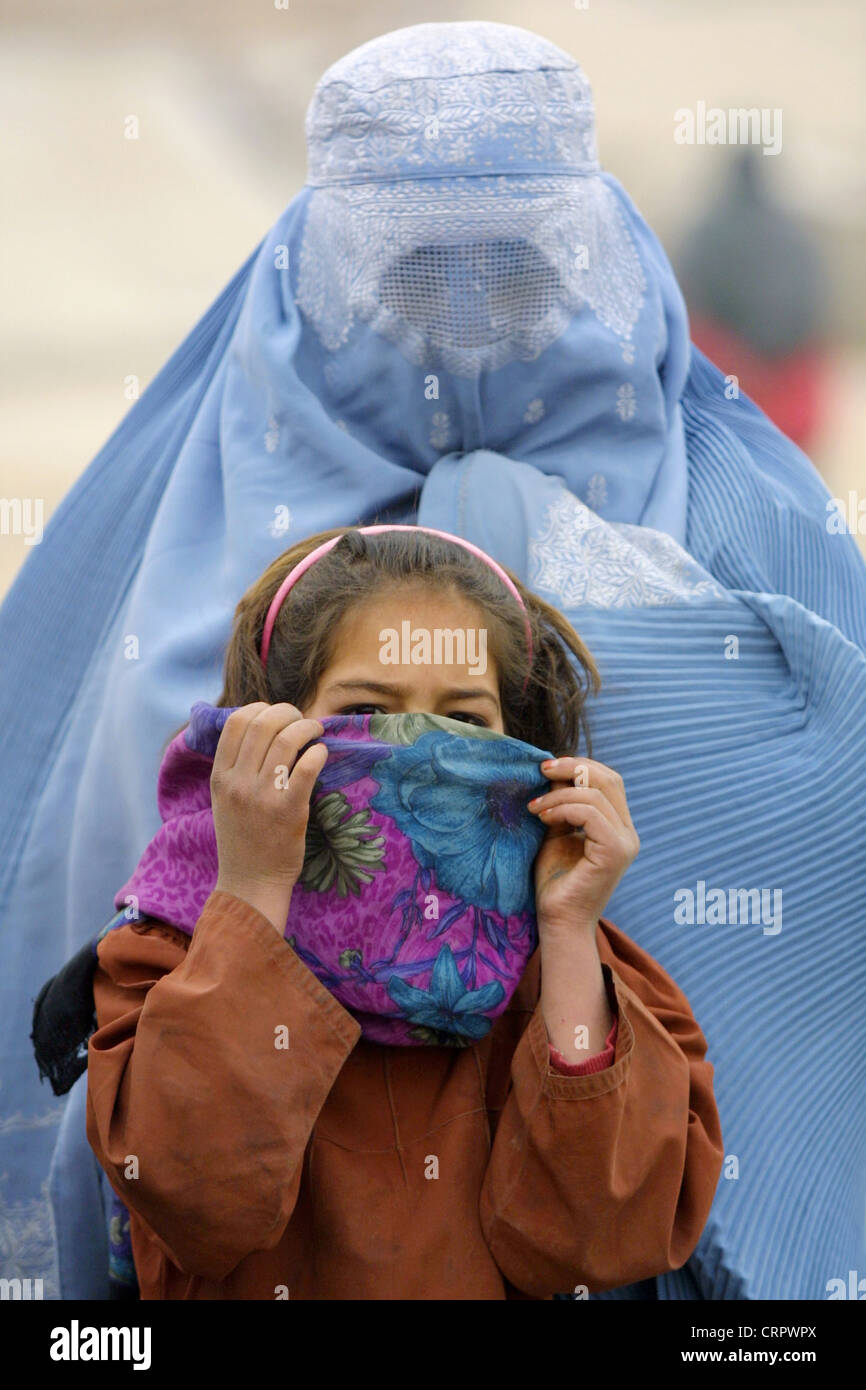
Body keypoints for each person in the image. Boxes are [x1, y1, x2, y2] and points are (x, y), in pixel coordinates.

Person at [10, 21, 866, 1301]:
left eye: (516, 278)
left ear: (597, 268)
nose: (464, 329)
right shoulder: (168, 581)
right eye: (411, 276)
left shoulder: (761, 545)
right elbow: (158, 1151)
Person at [83, 523, 722, 1299]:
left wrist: (567, 931)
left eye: (466, 721)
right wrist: (253, 889)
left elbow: (603, 1236)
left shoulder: (567, 969)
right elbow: (197, 1197)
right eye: (366, 709)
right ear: (269, 730)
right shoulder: (167, 949)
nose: (422, 748)